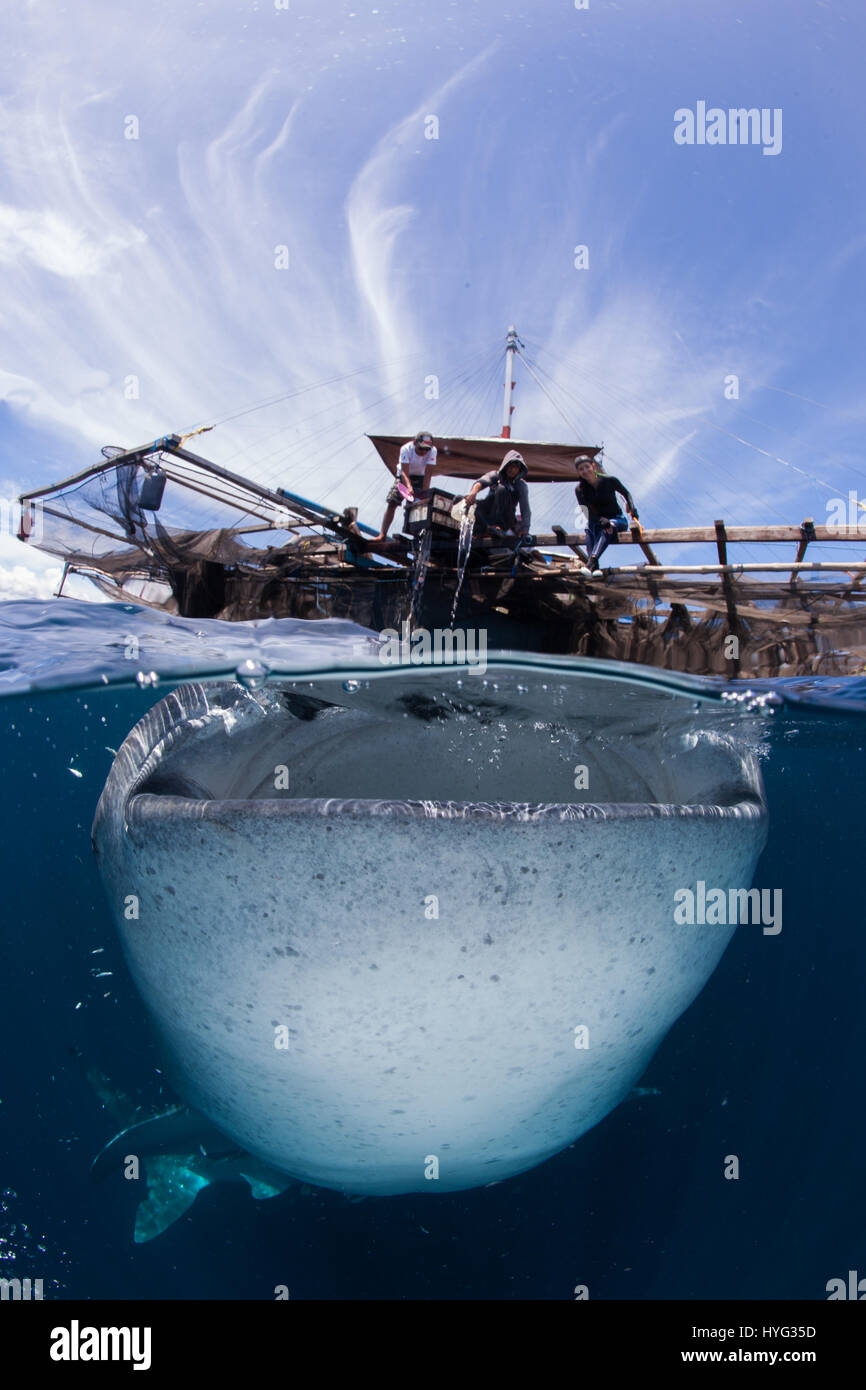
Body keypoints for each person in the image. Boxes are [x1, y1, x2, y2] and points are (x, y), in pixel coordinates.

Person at [574, 454, 638, 572]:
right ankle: (595, 569)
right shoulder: (579, 490)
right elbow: (585, 511)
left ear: (593, 466)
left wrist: (632, 508)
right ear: (578, 472)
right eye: (581, 469)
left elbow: (626, 493)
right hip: (597, 521)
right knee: (589, 530)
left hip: (617, 519)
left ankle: (591, 562)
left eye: (587, 467)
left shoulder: (609, 480)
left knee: (608, 527)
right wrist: (599, 520)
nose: (585, 471)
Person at [374, 431, 436, 540]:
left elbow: (428, 475)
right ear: (414, 443)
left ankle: (417, 537)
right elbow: (404, 472)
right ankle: (382, 535)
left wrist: (424, 493)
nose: (424, 452)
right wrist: (408, 486)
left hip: (420, 478)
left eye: (426, 449)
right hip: (403, 476)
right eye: (421, 448)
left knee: (419, 506)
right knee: (392, 502)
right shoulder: (406, 449)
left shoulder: (433, 451)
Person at [462, 450, 532, 538]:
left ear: (519, 470)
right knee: (463, 501)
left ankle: (499, 528)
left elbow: (525, 509)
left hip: (505, 520)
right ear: (505, 466)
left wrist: (525, 531)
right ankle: (480, 530)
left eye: (515, 467)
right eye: (510, 466)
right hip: (489, 517)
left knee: (501, 490)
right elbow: (481, 482)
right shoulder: (496, 475)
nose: (512, 469)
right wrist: (473, 493)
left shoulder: (521, 486)